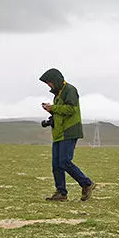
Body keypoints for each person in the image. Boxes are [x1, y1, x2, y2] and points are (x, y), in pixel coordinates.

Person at [39, 68, 95, 201]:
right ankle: (61, 192)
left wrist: (53, 108)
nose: (49, 85)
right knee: (56, 164)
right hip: (59, 132)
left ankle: (87, 184)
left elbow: (71, 109)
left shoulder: (70, 90)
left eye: (49, 82)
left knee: (64, 161)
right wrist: (51, 113)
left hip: (69, 131)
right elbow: (60, 113)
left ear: (55, 80)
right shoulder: (57, 95)